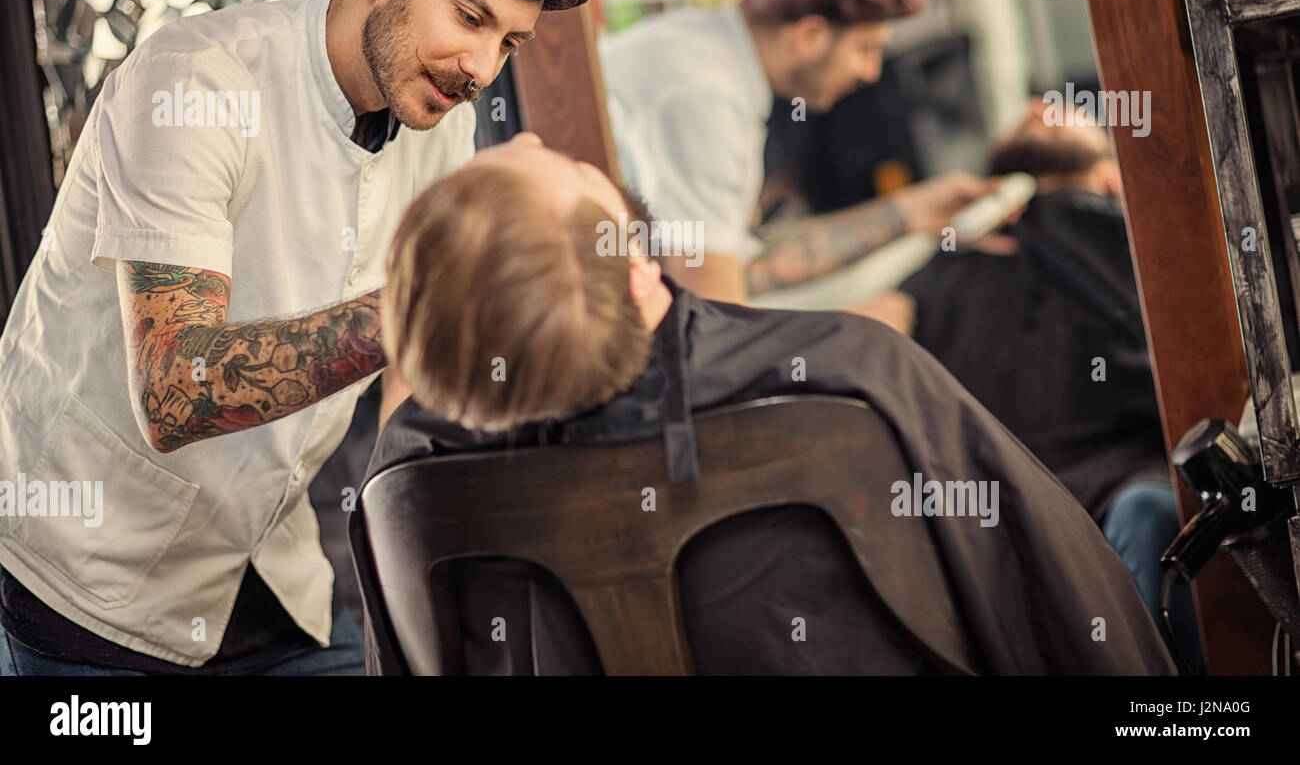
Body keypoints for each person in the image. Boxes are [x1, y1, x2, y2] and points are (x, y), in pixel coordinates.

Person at [0, 0, 589, 676]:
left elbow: (410, 377)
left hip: (276, 571)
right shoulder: (196, 82)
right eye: (469, 16)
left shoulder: (439, 123)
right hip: (88, 582)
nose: (482, 68)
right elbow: (177, 388)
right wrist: (426, 300)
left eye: (509, 44)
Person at [365, 131, 1177, 675]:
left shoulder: (408, 479)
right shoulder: (851, 374)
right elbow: (1073, 618)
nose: (527, 136)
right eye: (552, 168)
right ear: (639, 270)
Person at [883, 103, 1204, 671]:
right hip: (995, 502)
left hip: (1120, 485)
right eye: (1032, 108)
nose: (1038, 106)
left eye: (1069, 110)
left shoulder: (1140, 245)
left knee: (1149, 513)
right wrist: (916, 224)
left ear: (1111, 176)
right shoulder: (948, 264)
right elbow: (864, 335)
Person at [598, 0, 996, 308]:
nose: (871, 72)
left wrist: (910, 212)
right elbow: (716, 315)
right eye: (865, 49)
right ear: (809, 36)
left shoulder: (711, 57)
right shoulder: (708, 99)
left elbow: (743, 266)